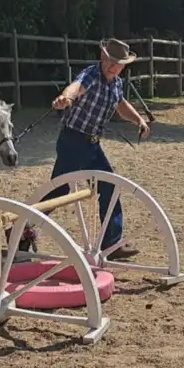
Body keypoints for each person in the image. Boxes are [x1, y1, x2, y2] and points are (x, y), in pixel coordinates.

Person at [45, 38, 151, 260]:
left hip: (92, 144)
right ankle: (20, 229)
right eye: (110, 61)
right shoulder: (92, 74)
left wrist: (139, 120)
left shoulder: (116, 84)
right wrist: (66, 97)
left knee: (109, 186)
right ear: (103, 57)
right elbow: (76, 87)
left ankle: (112, 243)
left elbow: (121, 105)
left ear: (123, 66)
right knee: (58, 191)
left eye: (118, 64)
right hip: (73, 141)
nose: (113, 66)